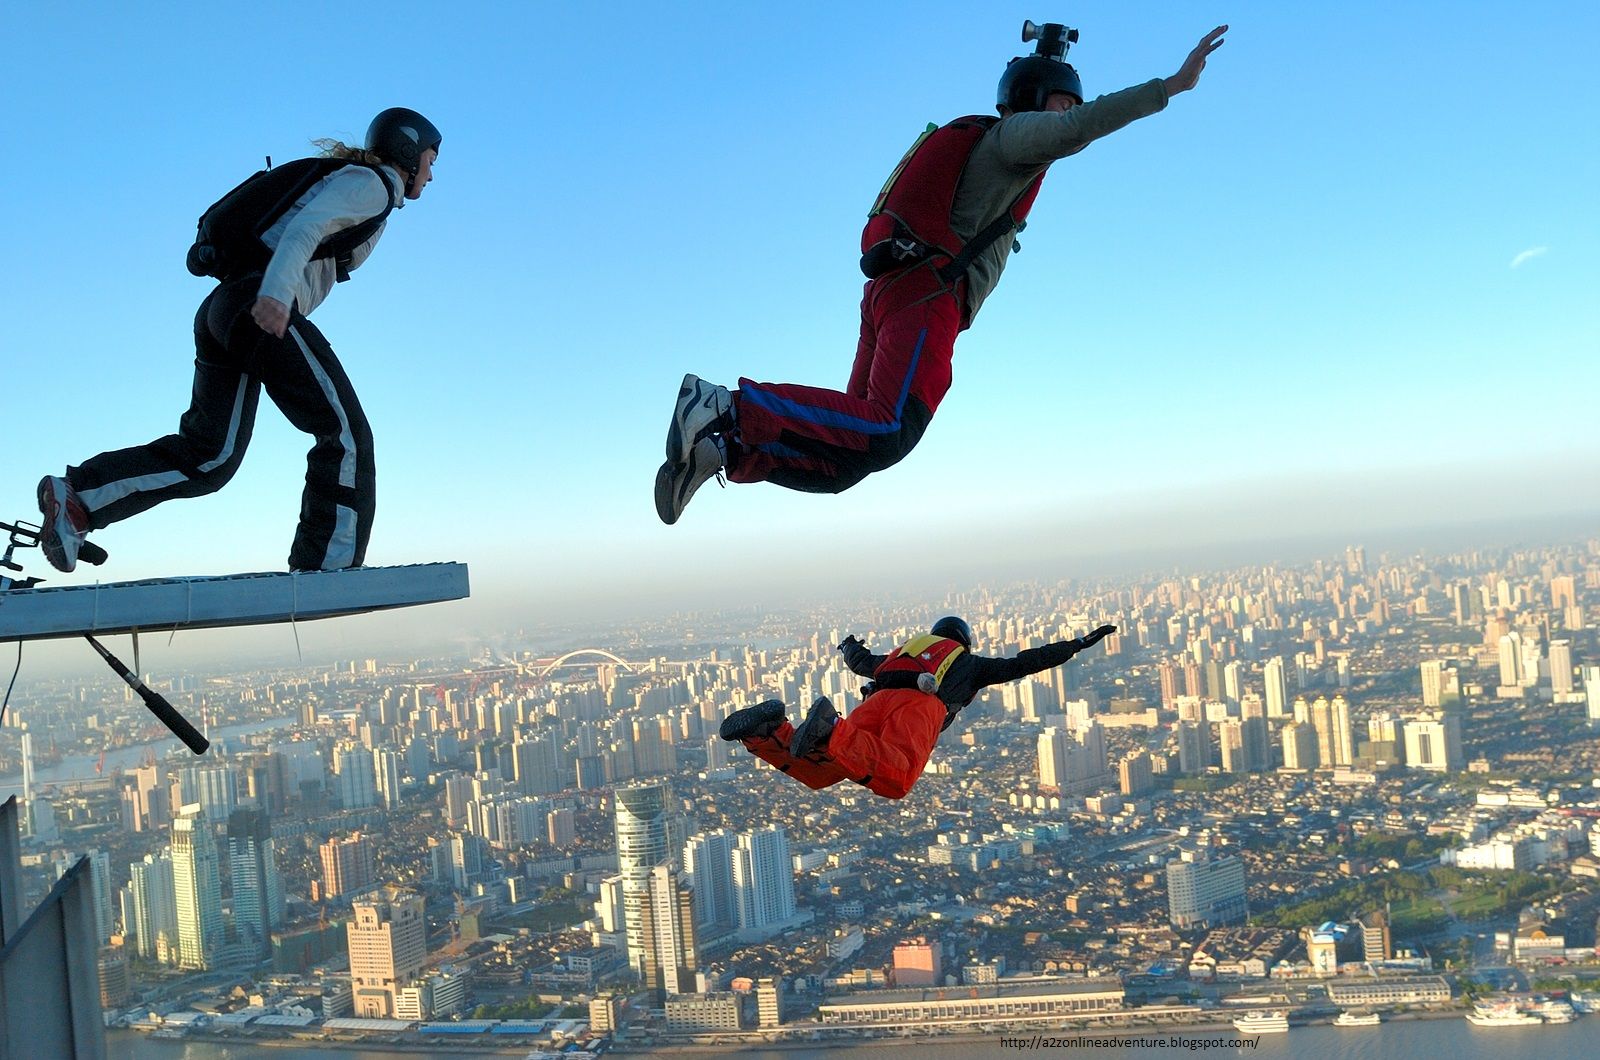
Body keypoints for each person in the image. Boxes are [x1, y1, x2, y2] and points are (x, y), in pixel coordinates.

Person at [655, 23, 1227, 524]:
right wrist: (1169, 88)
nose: (1066, 117)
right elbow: (1073, 131)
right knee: (890, 428)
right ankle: (725, 408)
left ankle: (723, 450)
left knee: (846, 458)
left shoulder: (993, 149)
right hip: (925, 296)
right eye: (1061, 104)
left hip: (895, 292)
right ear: (1030, 100)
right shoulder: (1011, 137)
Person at [35, 108, 442, 574]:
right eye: (431, 157)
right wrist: (275, 295)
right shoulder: (372, 185)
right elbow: (304, 227)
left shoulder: (367, 190)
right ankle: (330, 564)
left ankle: (79, 498)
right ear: (408, 150)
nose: (432, 172)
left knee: (211, 456)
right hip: (257, 304)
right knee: (345, 433)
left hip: (223, 310)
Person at [720, 616, 1116, 800]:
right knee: (898, 777)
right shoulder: (968, 663)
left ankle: (767, 732)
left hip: (874, 704)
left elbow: (861, 663)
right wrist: (1075, 645)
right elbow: (1023, 663)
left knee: (828, 770)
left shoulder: (904, 653)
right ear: (963, 640)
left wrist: (848, 646)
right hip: (920, 707)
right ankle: (830, 729)